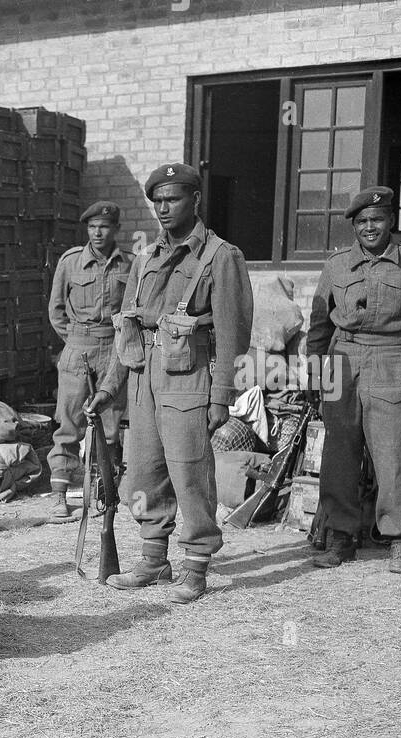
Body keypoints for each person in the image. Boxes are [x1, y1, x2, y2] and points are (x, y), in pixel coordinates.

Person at [94, 162, 253, 604]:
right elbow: (125, 329)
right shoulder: (145, 258)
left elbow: (234, 334)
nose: (163, 208)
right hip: (143, 380)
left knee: (190, 476)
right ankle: (153, 559)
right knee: (143, 474)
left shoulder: (221, 256)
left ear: (195, 200)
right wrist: (109, 389)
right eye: (157, 201)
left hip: (189, 379)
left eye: (173, 199)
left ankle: (196, 566)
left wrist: (221, 396)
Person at [306, 186, 401, 574]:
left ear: (390, 222)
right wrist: (315, 375)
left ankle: (398, 541)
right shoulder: (335, 266)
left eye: (377, 220)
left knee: (392, 453)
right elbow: (318, 326)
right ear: (354, 226)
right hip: (341, 360)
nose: (370, 227)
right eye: (363, 221)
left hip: (392, 359)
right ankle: (341, 538)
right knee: (339, 454)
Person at [47, 201, 133, 518]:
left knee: (108, 427)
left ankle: (101, 490)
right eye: (92, 226)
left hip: (113, 348)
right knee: (69, 423)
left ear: (116, 230)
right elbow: (55, 310)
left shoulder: (130, 264)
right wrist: (72, 342)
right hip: (77, 347)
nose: (98, 232)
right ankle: (58, 494)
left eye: (105, 227)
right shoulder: (70, 262)